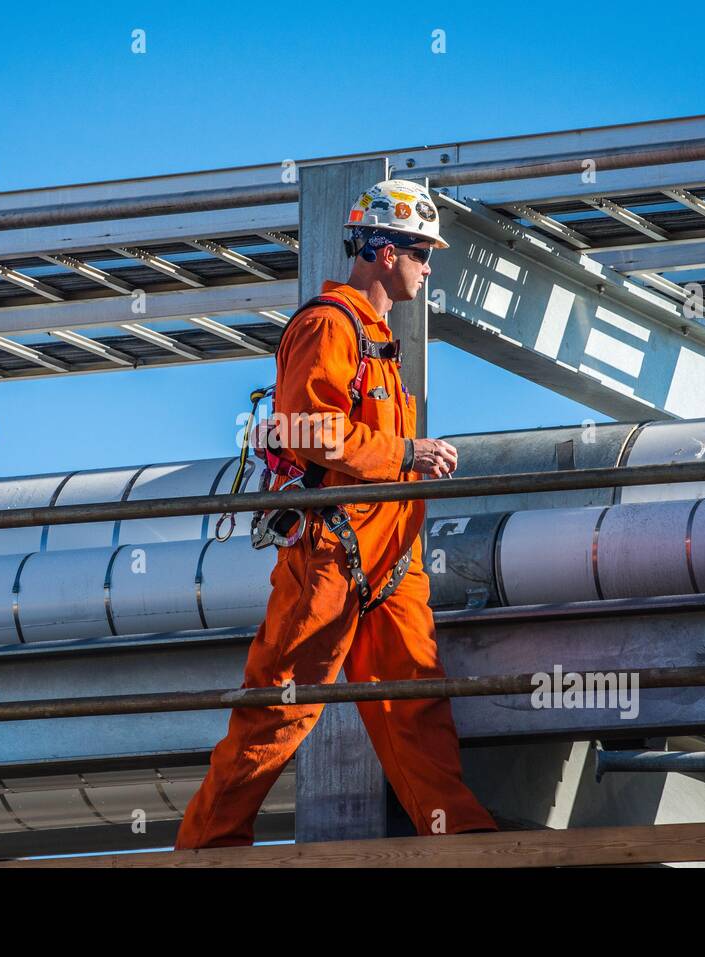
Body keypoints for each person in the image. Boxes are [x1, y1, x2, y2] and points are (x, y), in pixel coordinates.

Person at [174, 179, 498, 849]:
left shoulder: (380, 341)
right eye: (421, 253)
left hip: (390, 561)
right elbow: (308, 432)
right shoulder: (331, 324)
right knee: (280, 709)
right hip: (331, 554)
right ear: (384, 252)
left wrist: (402, 460)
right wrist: (407, 450)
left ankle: (461, 841)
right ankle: (206, 849)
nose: (427, 266)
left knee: (415, 707)